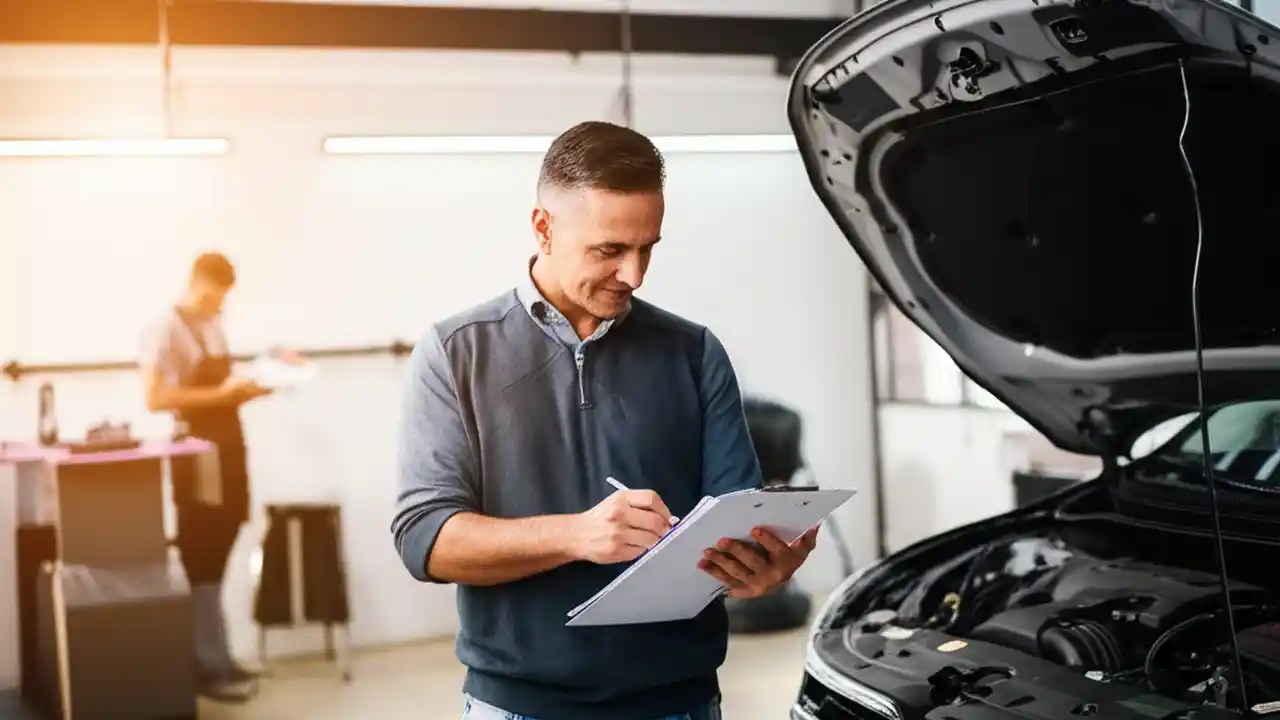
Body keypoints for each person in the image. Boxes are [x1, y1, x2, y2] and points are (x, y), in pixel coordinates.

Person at [391, 121, 820, 720]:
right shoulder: (455, 352)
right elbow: (424, 539)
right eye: (609, 250)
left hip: (679, 703)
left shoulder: (694, 353)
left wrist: (761, 567)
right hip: (517, 706)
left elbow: (731, 522)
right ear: (544, 228)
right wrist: (577, 535)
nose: (634, 275)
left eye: (648, 248)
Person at [139, 252, 271, 703]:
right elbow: (155, 398)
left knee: (220, 550)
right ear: (197, 283)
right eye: (214, 297)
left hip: (228, 447)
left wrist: (249, 390)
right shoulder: (164, 329)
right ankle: (204, 664)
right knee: (200, 555)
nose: (219, 306)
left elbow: (221, 394)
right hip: (196, 455)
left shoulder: (214, 327)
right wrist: (221, 392)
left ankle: (218, 655)